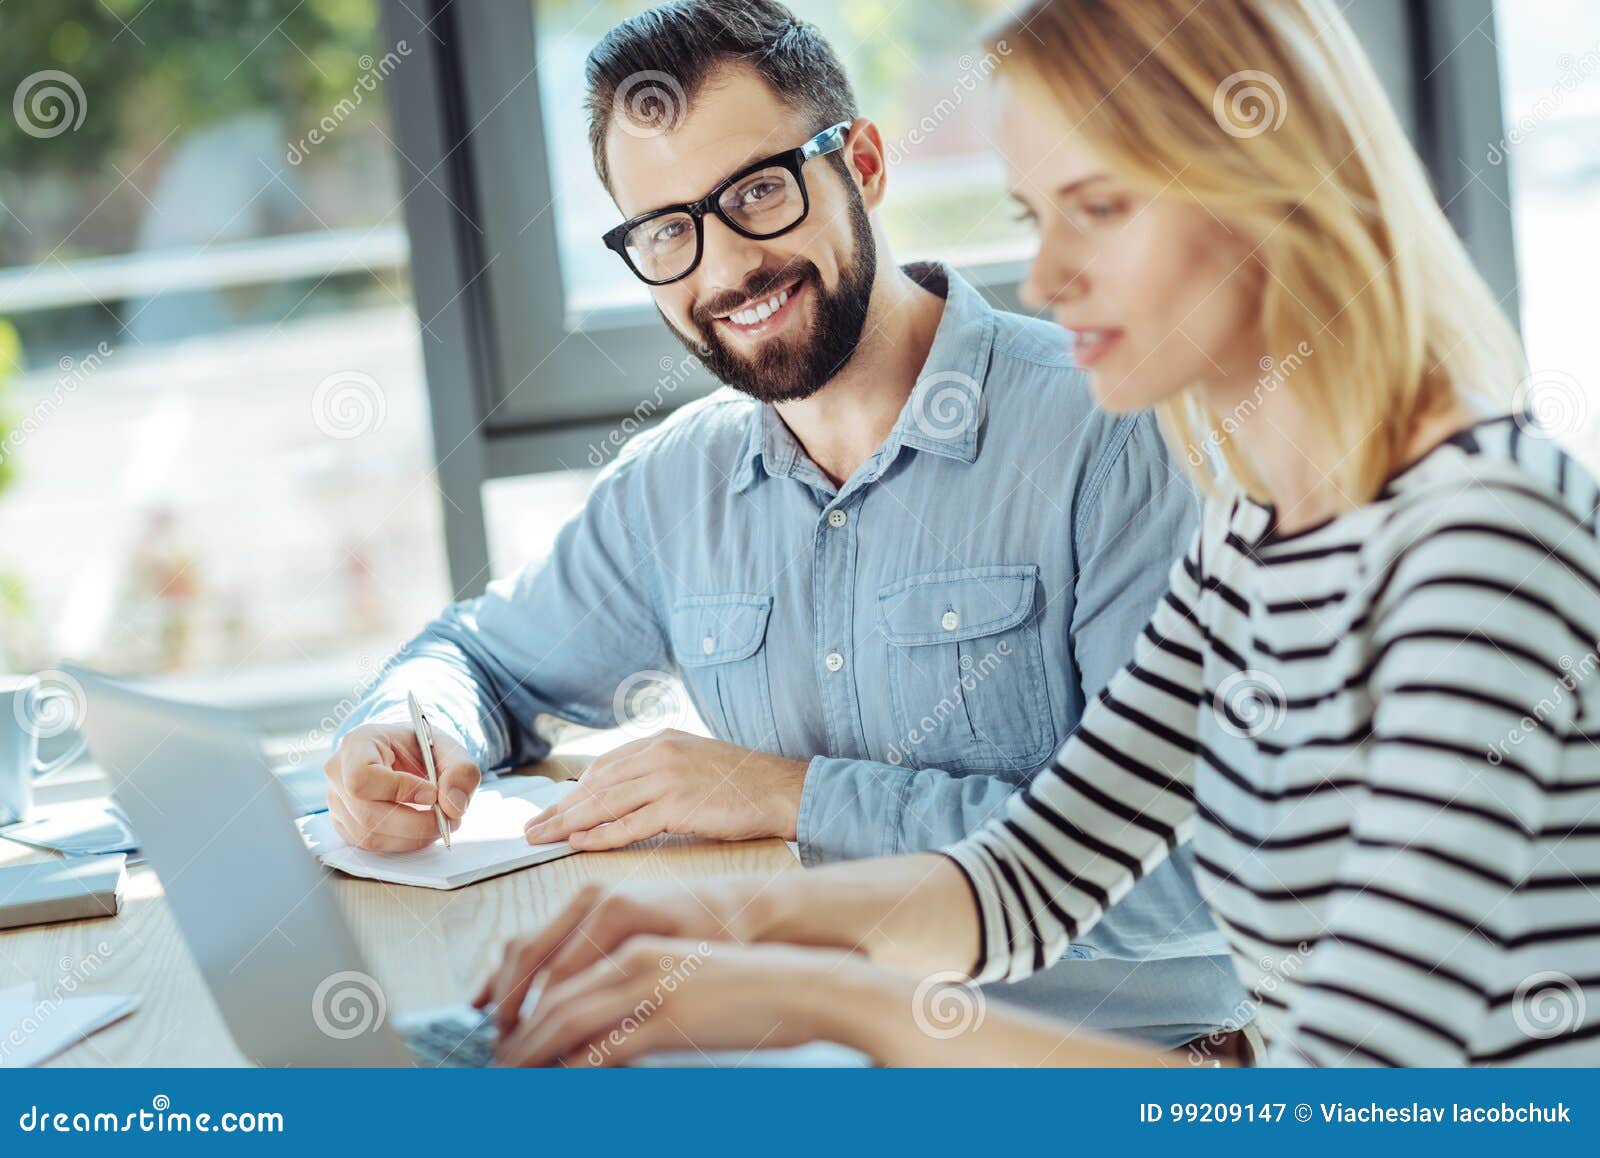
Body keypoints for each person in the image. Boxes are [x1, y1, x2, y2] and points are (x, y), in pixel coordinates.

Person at [476, 0, 1600, 1067]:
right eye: (1033, 217)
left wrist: (811, 992)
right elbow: (1028, 881)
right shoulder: (1256, 538)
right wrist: (713, 922)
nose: (1049, 277)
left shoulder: (1482, 546)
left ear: (1263, 193)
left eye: (1097, 208)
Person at [325, 0, 1247, 1049]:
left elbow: (1193, 877)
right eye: (669, 230)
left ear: (859, 162)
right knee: (439, 1064)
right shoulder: (681, 483)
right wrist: (407, 731)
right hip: (816, 1052)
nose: (723, 270)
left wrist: (795, 798)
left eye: (757, 191)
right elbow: (478, 657)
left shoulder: (1112, 434)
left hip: (1090, 1071)